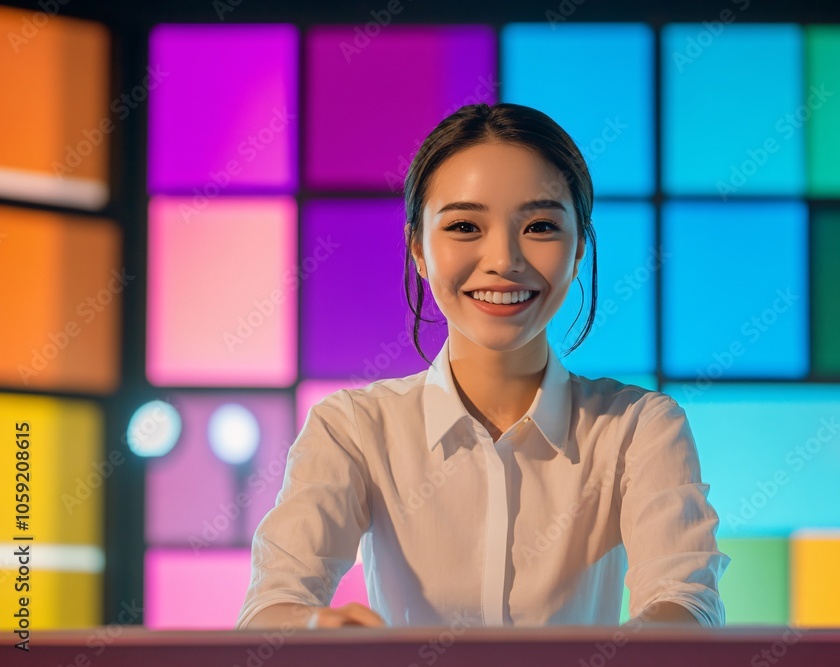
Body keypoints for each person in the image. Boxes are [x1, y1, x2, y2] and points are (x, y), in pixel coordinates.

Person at [236, 102, 729, 630]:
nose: (504, 259)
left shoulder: (639, 428)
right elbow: (271, 607)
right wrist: (316, 631)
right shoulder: (353, 429)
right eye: (465, 226)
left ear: (580, 245)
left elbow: (686, 600)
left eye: (540, 225)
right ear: (418, 250)